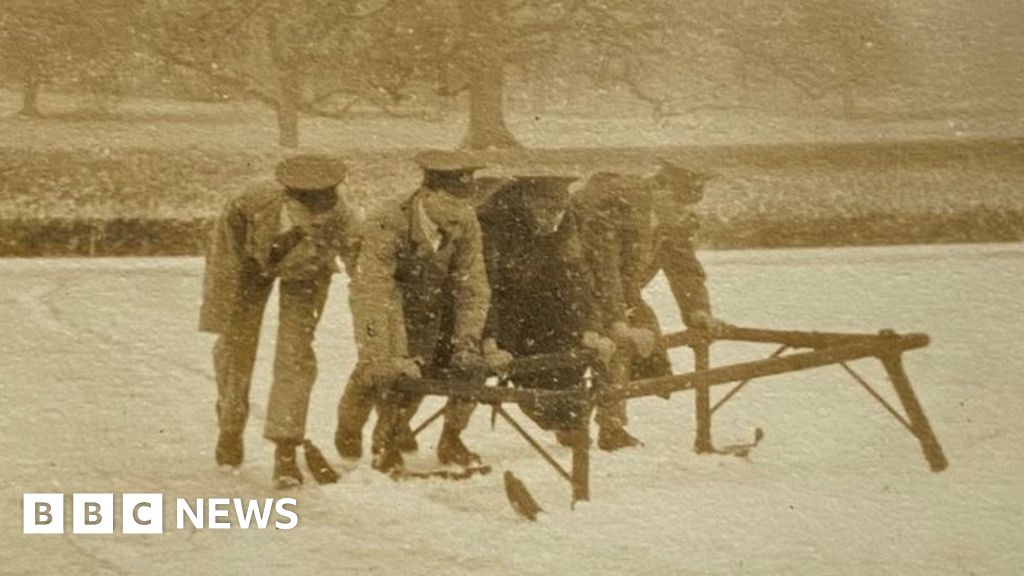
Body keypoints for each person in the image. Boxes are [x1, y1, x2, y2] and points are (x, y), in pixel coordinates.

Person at [335, 150, 510, 472]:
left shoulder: (464, 219)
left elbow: (474, 286)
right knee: (383, 370)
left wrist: (468, 342)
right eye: (452, 205)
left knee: (442, 367)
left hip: (431, 301)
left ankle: (436, 437)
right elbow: (373, 290)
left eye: (464, 205)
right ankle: (350, 429)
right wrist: (382, 351)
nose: (460, 215)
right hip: (383, 299)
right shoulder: (388, 220)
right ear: (427, 195)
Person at [199, 153, 359, 488]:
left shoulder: (344, 216)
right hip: (247, 264)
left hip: (308, 273)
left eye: (324, 210)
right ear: (290, 198)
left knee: (296, 354)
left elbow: (364, 272)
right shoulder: (249, 205)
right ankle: (230, 424)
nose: (318, 219)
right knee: (235, 346)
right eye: (309, 212)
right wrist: (222, 311)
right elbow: (224, 263)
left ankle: (285, 450)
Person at [573, 159, 726, 449]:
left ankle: (603, 419)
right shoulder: (617, 204)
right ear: (661, 189)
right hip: (577, 288)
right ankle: (606, 426)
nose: (686, 214)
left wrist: (698, 312)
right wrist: (619, 322)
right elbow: (605, 270)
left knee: (641, 334)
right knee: (617, 339)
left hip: (619, 291)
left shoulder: (669, 220)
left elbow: (683, 268)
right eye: (680, 204)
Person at [476, 175, 618, 443]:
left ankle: (566, 419)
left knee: (568, 348)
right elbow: (484, 287)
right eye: (545, 211)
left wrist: (590, 328)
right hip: (493, 306)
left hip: (533, 304)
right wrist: (490, 341)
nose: (553, 220)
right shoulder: (491, 224)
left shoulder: (562, 222)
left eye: (558, 211)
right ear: (526, 204)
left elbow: (574, 277)